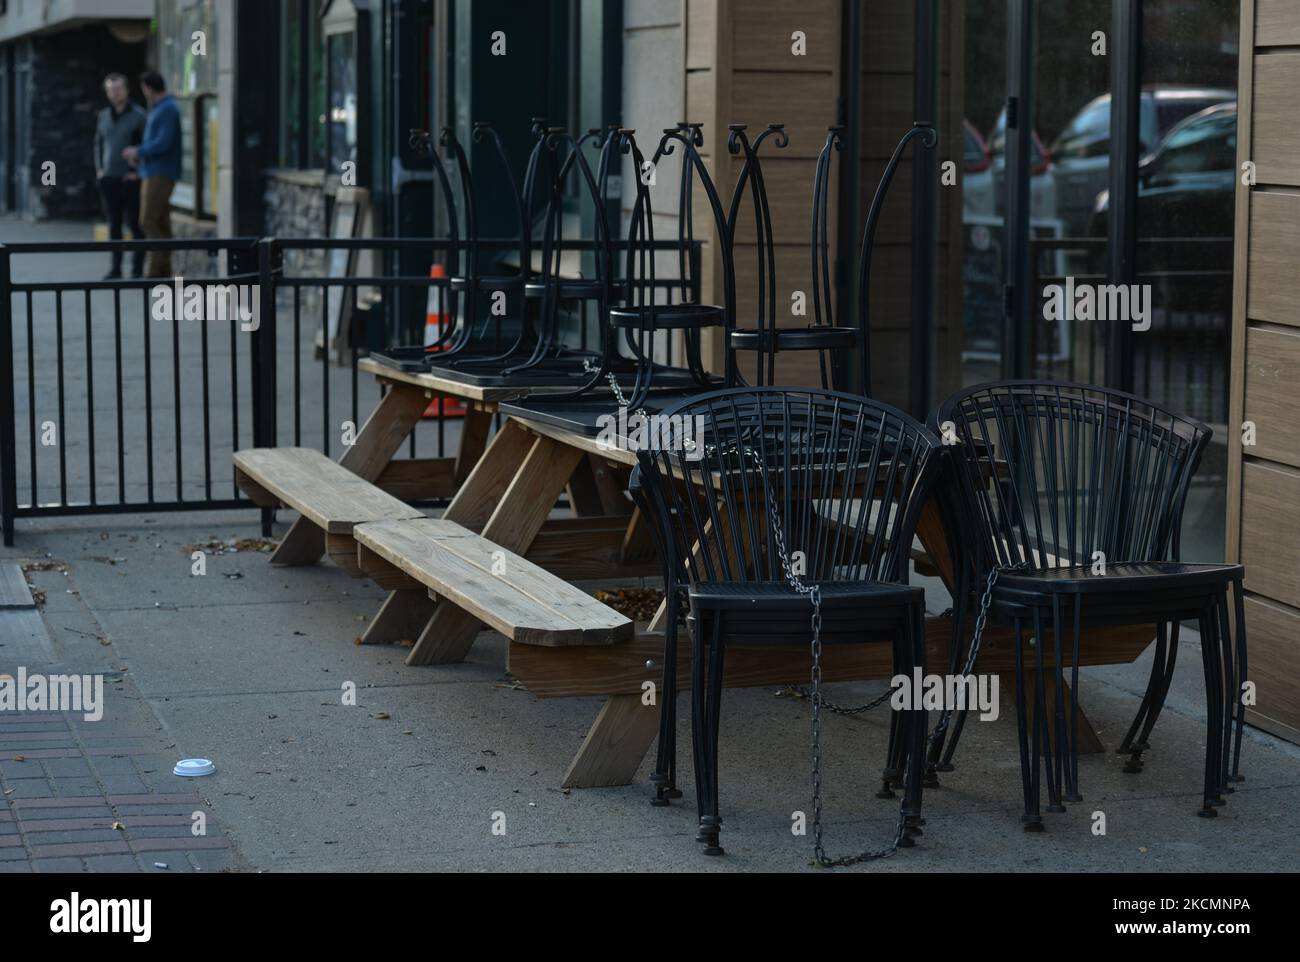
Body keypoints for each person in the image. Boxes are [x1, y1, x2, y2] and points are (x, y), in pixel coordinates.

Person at [122, 71, 181, 279]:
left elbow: (163, 142)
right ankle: (164, 268)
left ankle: (156, 268)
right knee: (161, 222)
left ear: (148, 88)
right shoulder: (161, 109)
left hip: (159, 173)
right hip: (153, 169)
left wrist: (138, 151)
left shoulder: (167, 110)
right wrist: (141, 156)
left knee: (147, 220)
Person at [93, 74, 147, 279]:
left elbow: (146, 147)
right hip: (109, 178)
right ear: (107, 93)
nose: (115, 93)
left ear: (126, 90)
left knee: (134, 224)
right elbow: (98, 143)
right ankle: (116, 268)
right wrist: (100, 169)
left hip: (130, 179)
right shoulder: (104, 116)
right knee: (113, 224)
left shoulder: (139, 116)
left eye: (118, 89)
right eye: (111, 90)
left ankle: (137, 269)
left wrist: (137, 173)